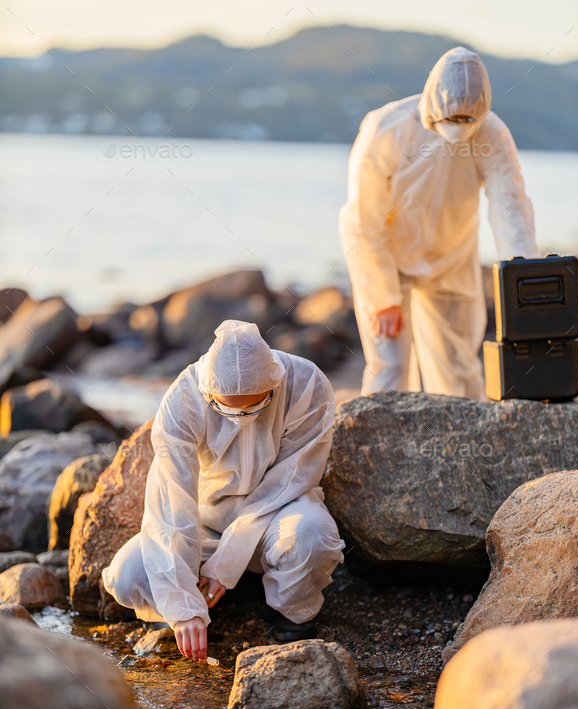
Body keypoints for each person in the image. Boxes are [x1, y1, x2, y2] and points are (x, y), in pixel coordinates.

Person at [102, 320, 345, 660]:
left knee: (312, 536)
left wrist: (229, 562)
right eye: (226, 407)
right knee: (129, 575)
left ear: (274, 384)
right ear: (207, 392)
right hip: (205, 518)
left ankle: (291, 615)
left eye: (253, 406)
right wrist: (181, 604)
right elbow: (173, 501)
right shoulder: (183, 397)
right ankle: (178, 618)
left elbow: (293, 477)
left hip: (279, 509)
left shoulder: (305, 383)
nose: (241, 416)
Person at [340, 46, 540, 398]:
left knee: (459, 374)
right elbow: (362, 219)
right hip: (389, 261)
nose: (460, 128)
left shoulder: (492, 133)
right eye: (453, 121)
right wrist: (383, 295)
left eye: (468, 121)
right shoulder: (386, 128)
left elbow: (510, 206)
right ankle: (385, 451)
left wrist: (524, 279)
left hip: (452, 261)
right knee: (389, 372)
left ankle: (461, 451)